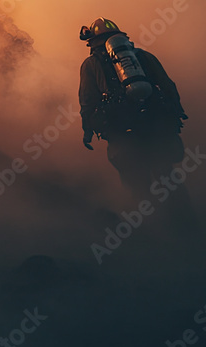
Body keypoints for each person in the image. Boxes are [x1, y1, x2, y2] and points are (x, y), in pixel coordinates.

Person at [78, 17, 194, 227]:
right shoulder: (143, 57)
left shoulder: (90, 64)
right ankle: (186, 226)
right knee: (167, 176)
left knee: (136, 183)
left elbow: (87, 100)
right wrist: (177, 114)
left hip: (123, 133)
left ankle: (151, 231)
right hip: (154, 126)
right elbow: (168, 86)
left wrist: (88, 131)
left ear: (93, 42)